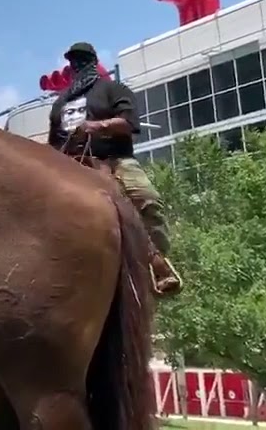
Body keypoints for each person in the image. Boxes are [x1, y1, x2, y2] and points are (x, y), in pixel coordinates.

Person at [47, 41, 182, 296]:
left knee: (147, 199)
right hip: (69, 164)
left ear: (92, 63)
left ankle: (157, 265)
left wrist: (95, 127)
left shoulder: (112, 89)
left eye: (82, 60)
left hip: (114, 159)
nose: (78, 66)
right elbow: (53, 141)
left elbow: (128, 122)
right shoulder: (60, 103)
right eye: (73, 62)